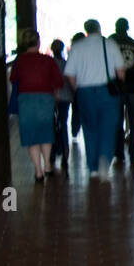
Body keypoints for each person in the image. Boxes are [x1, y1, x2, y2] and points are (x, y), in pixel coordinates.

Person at [64, 19, 126, 181]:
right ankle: (104, 161)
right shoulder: (110, 45)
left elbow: (70, 74)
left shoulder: (77, 47)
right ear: (99, 29)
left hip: (85, 93)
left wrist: (78, 89)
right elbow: (121, 72)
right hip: (107, 92)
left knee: (90, 129)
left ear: (86, 30)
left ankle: (92, 168)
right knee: (108, 128)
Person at [8, 29, 64, 183]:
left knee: (31, 135)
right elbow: (58, 81)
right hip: (45, 99)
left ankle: (38, 171)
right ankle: (47, 166)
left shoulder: (19, 61)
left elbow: (14, 79)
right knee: (46, 132)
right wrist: (56, 95)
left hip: (26, 100)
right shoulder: (48, 61)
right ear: (38, 42)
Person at [110, 17, 134, 167]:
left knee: (117, 121)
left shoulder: (111, 42)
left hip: (118, 87)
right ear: (127, 28)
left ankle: (119, 152)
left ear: (116, 27)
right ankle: (133, 155)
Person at [50, 38, 73, 174]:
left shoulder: (48, 63)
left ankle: (53, 152)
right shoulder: (66, 64)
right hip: (65, 98)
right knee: (63, 123)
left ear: (52, 50)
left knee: (52, 124)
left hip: (51, 98)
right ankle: (65, 152)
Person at [69, 31, 86, 138]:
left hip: (77, 86)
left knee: (76, 110)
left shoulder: (73, 52)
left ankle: (75, 132)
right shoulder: (89, 52)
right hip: (88, 85)